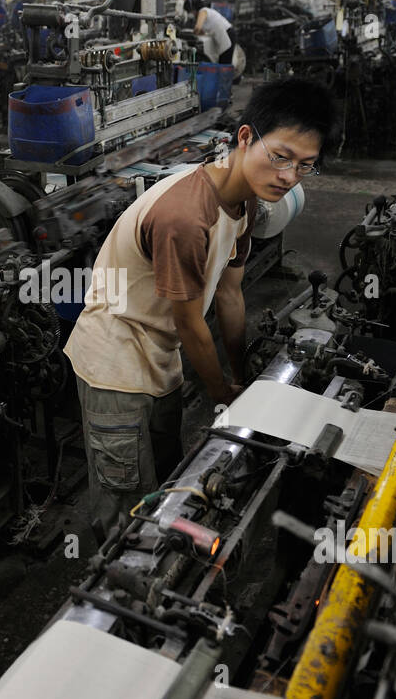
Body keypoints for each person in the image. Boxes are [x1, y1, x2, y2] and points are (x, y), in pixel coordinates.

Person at [64, 78, 337, 534]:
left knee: (169, 480)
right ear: (246, 138)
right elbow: (191, 325)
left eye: (305, 166)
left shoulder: (246, 202)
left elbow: (230, 295)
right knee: (126, 505)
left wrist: (240, 377)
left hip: (159, 356)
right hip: (113, 362)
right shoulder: (186, 219)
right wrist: (222, 397)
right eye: (281, 156)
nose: (289, 176)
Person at [188, 0, 236, 64]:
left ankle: (227, 74)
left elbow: (198, 28)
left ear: (193, 9)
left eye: (190, 11)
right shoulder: (204, 12)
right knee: (222, 61)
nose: (191, 14)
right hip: (224, 34)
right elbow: (202, 31)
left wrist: (191, 34)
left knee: (225, 62)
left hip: (228, 34)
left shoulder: (203, 11)